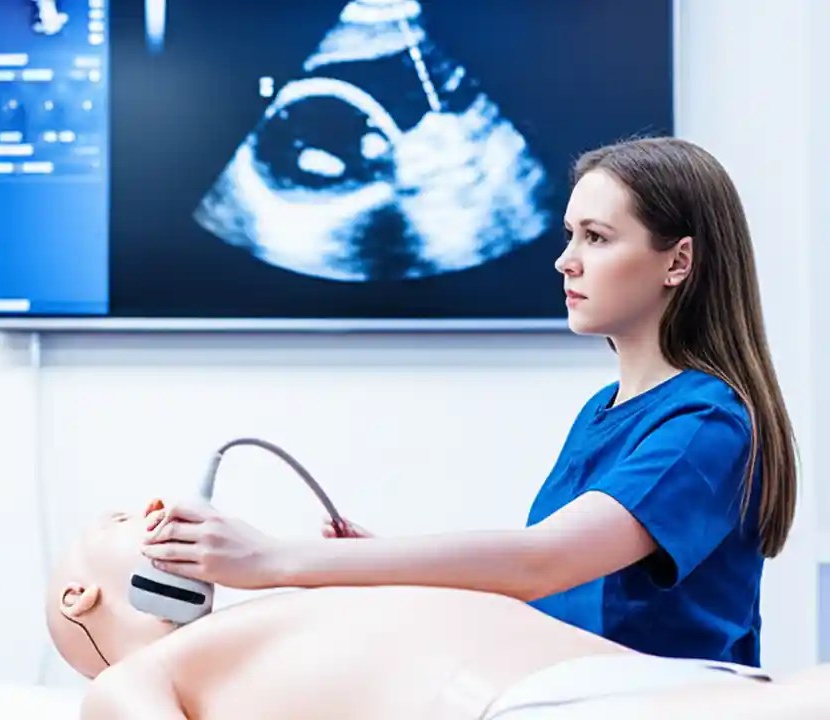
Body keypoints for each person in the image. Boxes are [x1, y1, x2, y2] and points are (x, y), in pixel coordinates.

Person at [140, 137, 798, 667]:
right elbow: (546, 589)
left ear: (677, 262)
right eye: (569, 236)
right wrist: (378, 563)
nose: (566, 262)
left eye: (596, 237)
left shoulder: (703, 428)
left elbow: (541, 561)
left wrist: (273, 561)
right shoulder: (606, 409)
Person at [47, 505, 830, 719]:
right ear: (79, 597)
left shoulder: (277, 618)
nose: (151, 510)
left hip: (634, 680)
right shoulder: (136, 678)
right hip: (532, 703)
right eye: (120, 518)